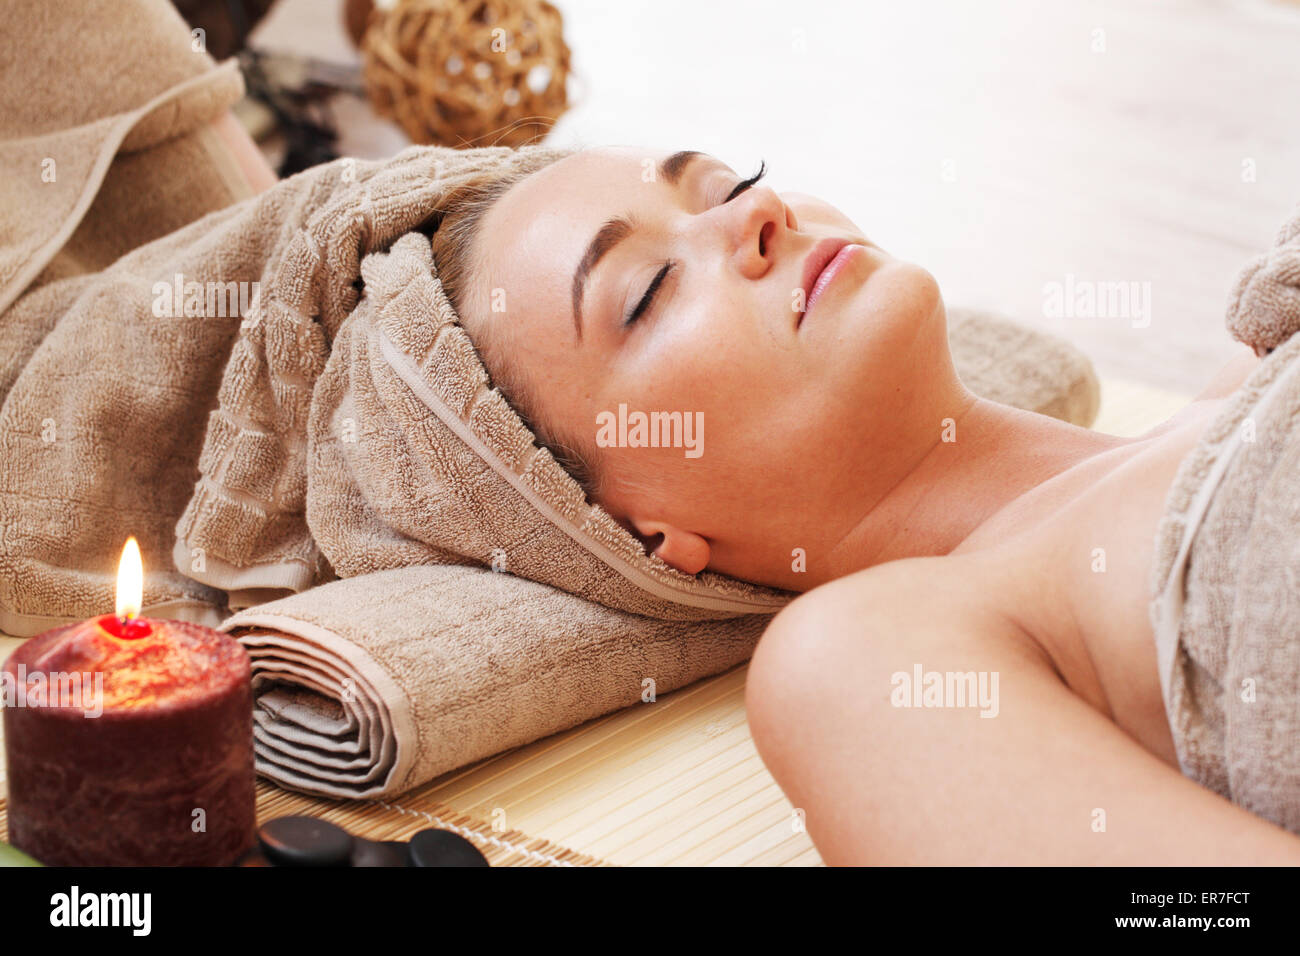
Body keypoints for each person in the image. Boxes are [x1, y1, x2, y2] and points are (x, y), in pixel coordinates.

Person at [429, 143, 1300, 864]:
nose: (753, 214)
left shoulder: (1257, 346)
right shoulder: (865, 658)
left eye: (728, 185)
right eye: (650, 287)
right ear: (642, 526)